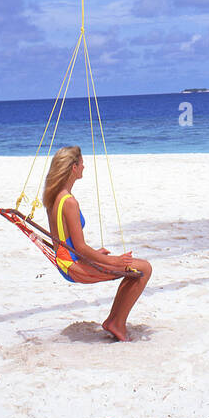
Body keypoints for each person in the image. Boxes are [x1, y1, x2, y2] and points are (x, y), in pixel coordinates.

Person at [43, 145, 152, 342]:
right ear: (73, 168)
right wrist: (112, 261)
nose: (85, 167)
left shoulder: (52, 197)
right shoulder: (69, 202)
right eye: (82, 163)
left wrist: (96, 256)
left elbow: (64, 242)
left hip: (66, 262)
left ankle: (114, 321)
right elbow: (80, 246)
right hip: (73, 267)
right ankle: (116, 323)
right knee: (144, 268)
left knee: (132, 270)